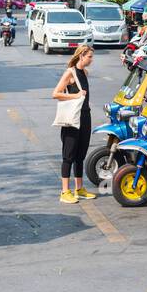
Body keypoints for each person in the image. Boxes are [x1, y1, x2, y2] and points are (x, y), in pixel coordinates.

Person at [53, 45, 96, 203]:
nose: (91, 60)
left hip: (85, 117)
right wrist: (76, 95)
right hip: (72, 119)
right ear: (81, 56)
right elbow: (55, 93)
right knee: (68, 155)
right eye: (89, 57)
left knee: (81, 155)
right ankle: (65, 192)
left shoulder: (84, 72)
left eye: (92, 57)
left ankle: (79, 189)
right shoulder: (70, 73)